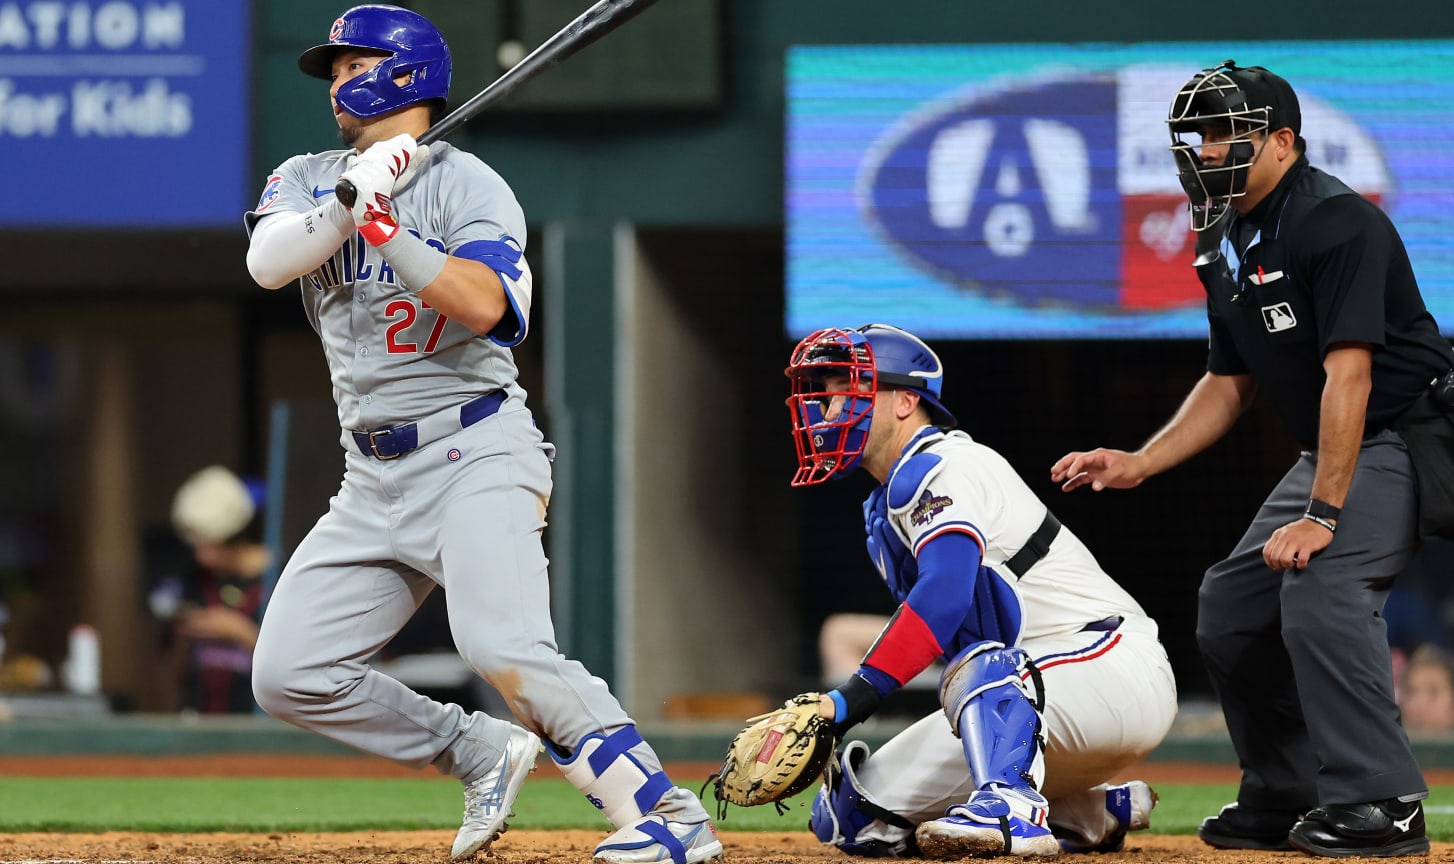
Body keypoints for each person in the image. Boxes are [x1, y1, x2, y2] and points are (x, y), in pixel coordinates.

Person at [242, 7, 721, 864]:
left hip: (474, 451)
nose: (337, 84)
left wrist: (389, 230)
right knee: (288, 673)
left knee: (502, 645)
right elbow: (268, 263)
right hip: (369, 477)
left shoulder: (470, 185)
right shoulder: (308, 176)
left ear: (403, 73)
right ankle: (475, 749)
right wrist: (350, 206)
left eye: (353, 66)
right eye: (335, 69)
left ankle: (667, 813)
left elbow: (489, 307)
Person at [1051, 60, 1454, 858]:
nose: (1206, 149)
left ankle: (1383, 803)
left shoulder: (1338, 222)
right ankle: (1285, 791)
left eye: (1224, 133)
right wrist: (1141, 461)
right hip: (1336, 445)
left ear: (1282, 141)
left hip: (1411, 436)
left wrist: (1322, 515)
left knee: (1321, 589)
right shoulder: (1226, 233)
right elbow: (1228, 380)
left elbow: (1351, 376)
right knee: (1234, 606)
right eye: (1197, 135)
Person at [785, 324, 1177, 857]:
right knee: (852, 817)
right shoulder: (886, 506)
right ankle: (1088, 811)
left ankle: (1012, 811)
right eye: (827, 391)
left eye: (847, 387)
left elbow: (945, 594)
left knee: (981, 665)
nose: (829, 407)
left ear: (906, 401)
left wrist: (849, 700)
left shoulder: (946, 464)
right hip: (1031, 698)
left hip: (1112, 668)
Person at [160, 465, 270, 714]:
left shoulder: (279, 579)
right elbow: (176, 672)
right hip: (198, 720)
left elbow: (293, 668)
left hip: (257, 726)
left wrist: (239, 632)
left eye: (213, 546)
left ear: (237, 536)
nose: (202, 557)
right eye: (196, 546)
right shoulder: (195, 581)